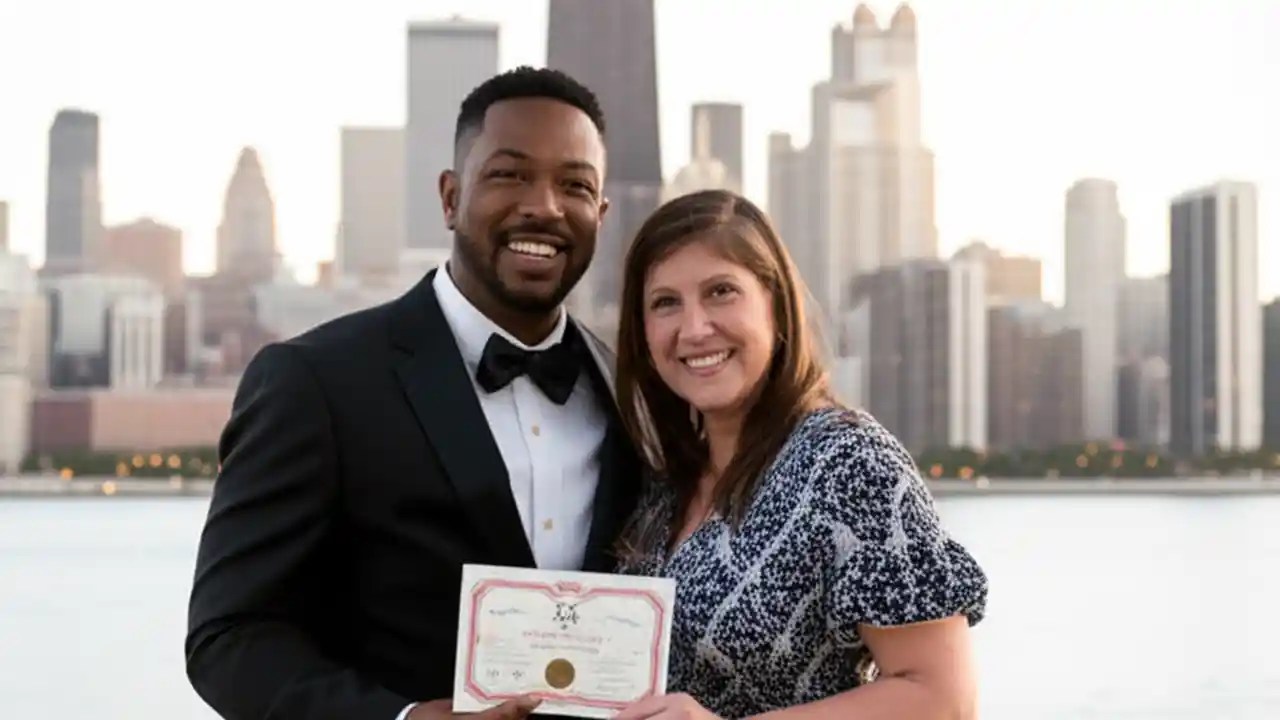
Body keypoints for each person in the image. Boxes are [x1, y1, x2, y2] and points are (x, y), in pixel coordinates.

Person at [184, 66, 641, 720]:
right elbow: (228, 638)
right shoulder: (314, 382)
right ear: (451, 197)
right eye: (509, 174)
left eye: (574, 185)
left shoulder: (634, 396)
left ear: (598, 214)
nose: (543, 204)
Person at [610, 189, 989, 720]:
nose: (694, 329)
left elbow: (943, 699)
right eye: (665, 302)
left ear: (776, 306)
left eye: (721, 292)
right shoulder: (662, 483)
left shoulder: (851, 463)